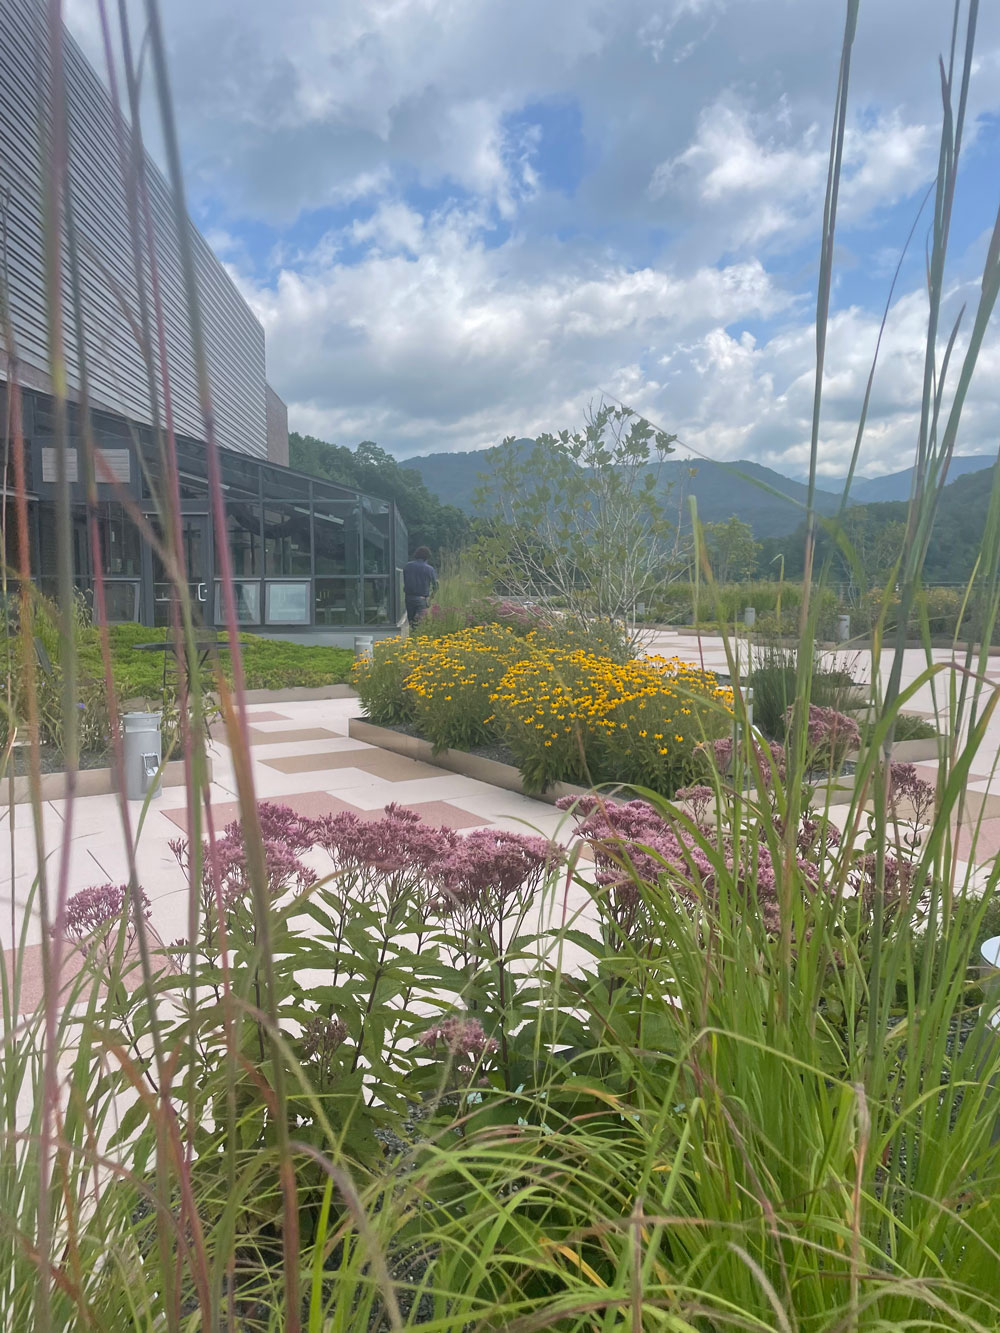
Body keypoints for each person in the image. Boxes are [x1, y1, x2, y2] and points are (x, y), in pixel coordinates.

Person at [403, 546, 437, 626]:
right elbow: (435, 586)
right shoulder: (429, 569)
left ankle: (412, 633)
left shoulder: (407, 566)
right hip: (421, 599)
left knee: (411, 622)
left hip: (409, 597)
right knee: (419, 623)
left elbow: (405, 581)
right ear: (427, 557)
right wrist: (430, 598)